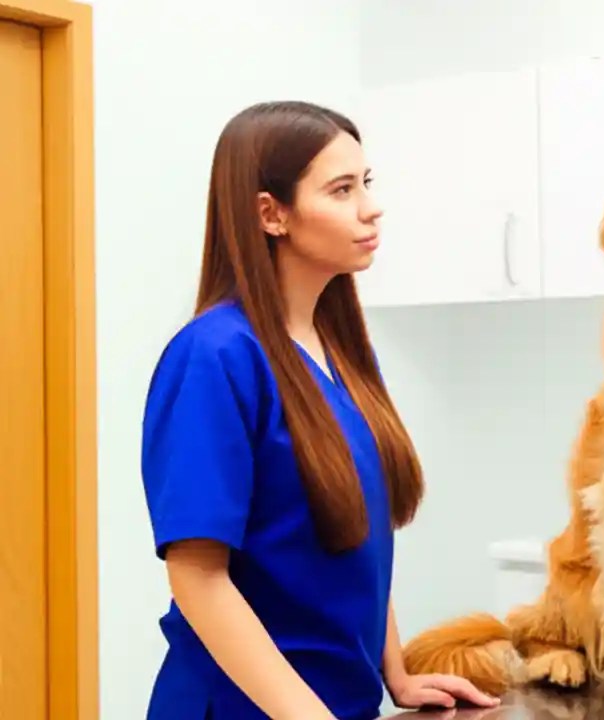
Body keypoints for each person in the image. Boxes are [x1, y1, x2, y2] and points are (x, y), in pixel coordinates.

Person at [139, 101, 500, 719]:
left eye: (366, 182)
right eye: (340, 190)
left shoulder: (338, 354)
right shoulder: (214, 356)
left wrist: (398, 674)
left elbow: (359, 535)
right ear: (270, 213)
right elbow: (198, 579)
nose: (370, 206)